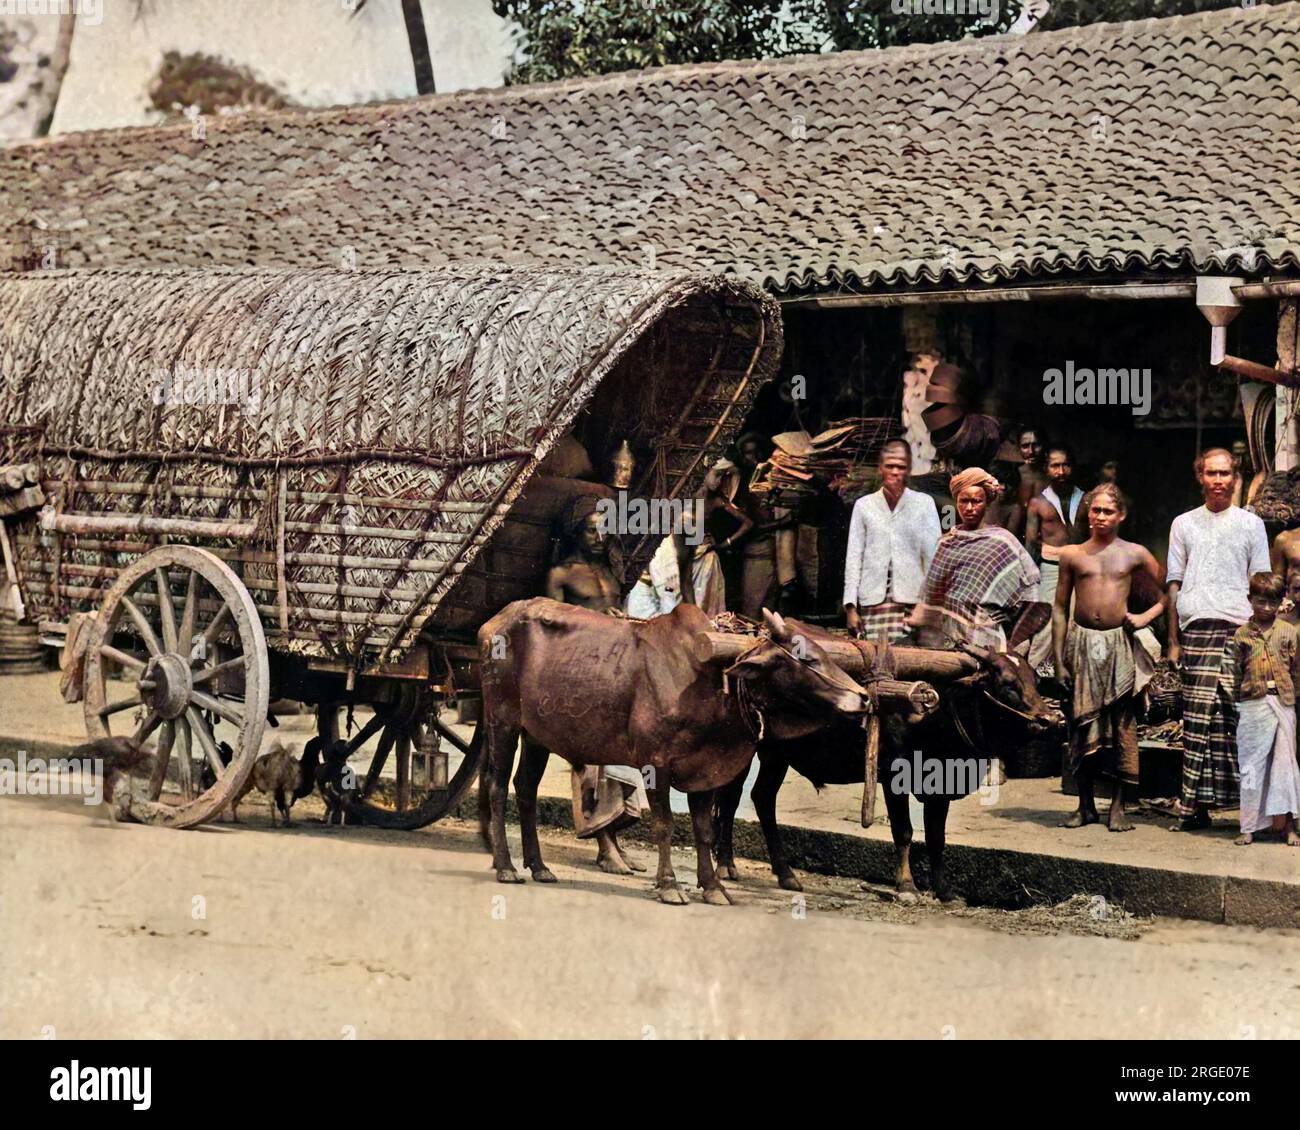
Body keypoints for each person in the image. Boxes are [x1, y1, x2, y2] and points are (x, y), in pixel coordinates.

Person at [1166, 448, 1271, 832]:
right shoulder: (1184, 524)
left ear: (1235, 476)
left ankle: (1252, 811)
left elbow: (1262, 584)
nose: (1218, 480)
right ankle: (1193, 807)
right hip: (1197, 630)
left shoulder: (1250, 524)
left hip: (1239, 631)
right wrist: (1173, 641)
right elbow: (1173, 585)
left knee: (1238, 718)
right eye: (1211, 473)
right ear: (1200, 477)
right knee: (1197, 721)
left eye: (1225, 473)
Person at [545, 495, 648, 874]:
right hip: (578, 673)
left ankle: (615, 839)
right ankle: (604, 847)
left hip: (615, 671)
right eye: (590, 530)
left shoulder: (610, 574)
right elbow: (551, 623)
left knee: (622, 754)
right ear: (576, 533)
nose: (598, 537)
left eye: (603, 529)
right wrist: (594, 620)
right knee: (591, 763)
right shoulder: (560, 574)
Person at [1053, 484, 1164, 832]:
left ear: (1121, 516)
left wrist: (1145, 618)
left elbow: (1169, 592)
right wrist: (1058, 659)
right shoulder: (1072, 554)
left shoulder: (1134, 554)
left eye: (1107, 511)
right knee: (1080, 724)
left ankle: (1118, 806)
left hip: (1119, 644)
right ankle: (1085, 804)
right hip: (1081, 644)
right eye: (1095, 510)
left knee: (1121, 726)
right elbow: (1059, 607)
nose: (1100, 517)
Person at [907, 467, 1048, 653]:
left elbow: (1028, 592)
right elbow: (931, 594)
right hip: (944, 639)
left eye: (977, 501)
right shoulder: (945, 543)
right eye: (964, 501)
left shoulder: (1003, 542)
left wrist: (1006, 614)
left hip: (985, 638)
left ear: (987, 503)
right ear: (956, 502)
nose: (970, 508)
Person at [1222, 572, 1300, 846]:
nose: (1266, 608)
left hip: (1282, 703)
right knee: (1252, 767)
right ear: (1250, 600)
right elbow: (1232, 673)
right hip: (1253, 704)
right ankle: (1249, 825)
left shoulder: (1289, 633)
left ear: (1282, 602)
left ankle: (1289, 826)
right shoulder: (1242, 635)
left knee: (1284, 764)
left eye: (1272, 602)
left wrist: (1294, 699)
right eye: (1260, 601)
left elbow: (1297, 671)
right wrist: (1235, 704)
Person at [843, 440, 941, 643]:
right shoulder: (864, 506)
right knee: (876, 662)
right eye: (890, 466)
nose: (895, 472)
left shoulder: (924, 504)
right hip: (873, 602)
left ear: (909, 469)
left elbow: (933, 559)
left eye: (901, 466)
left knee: (909, 663)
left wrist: (927, 605)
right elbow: (854, 557)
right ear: (880, 468)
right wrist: (850, 607)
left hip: (912, 602)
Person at [1025, 444, 1087, 673]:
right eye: (1055, 466)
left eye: (1066, 465)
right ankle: (1034, 677)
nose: (1061, 471)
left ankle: (1070, 673)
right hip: (1050, 567)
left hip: (1082, 568)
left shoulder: (1087, 499)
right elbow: (1031, 543)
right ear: (1046, 468)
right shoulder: (1037, 503)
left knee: (1076, 621)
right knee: (1045, 623)